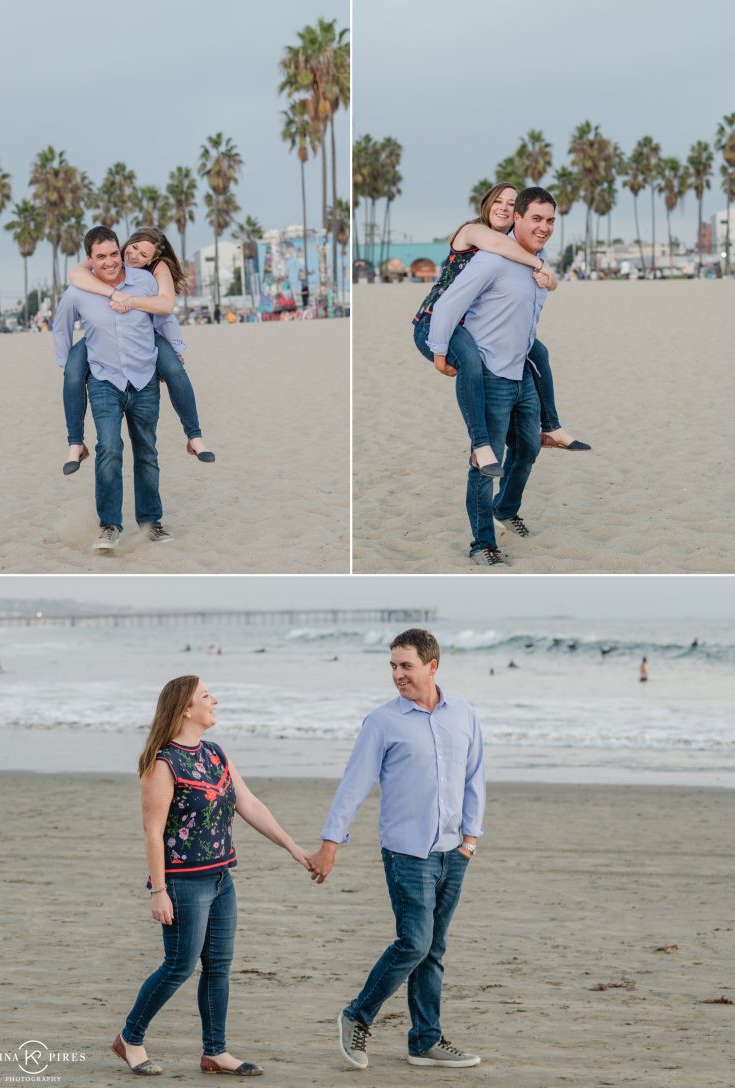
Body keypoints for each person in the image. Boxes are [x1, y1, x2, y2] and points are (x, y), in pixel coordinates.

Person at [112, 675, 312, 1077]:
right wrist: (159, 890)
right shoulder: (164, 763)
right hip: (183, 883)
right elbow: (153, 831)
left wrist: (293, 847)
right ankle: (130, 1038)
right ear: (186, 709)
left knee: (218, 966)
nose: (215, 700)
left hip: (221, 878)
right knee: (179, 965)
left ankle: (215, 1052)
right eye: (206, 696)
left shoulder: (215, 754)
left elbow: (248, 803)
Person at [309, 629, 485, 1070]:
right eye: (393, 666)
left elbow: (474, 778)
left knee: (433, 949)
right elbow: (354, 785)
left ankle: (425, 1040)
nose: (397, 675)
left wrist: (470, 840)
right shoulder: (382, 722)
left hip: (453, 852)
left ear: (432, 666)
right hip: (407, 854)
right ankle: (357, 1015)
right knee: (414, 942)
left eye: (406, 665)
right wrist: (331, 842)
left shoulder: (464, 715)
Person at [414, 182, 589, 478]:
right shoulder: (473, 231)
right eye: (499, 201)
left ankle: (551, 425)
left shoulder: (515, 245)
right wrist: (539, 264)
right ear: (487, 204)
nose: (505, 208)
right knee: (470, 361)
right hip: (434, 320)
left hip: (464, 322)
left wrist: (549, 277)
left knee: (538, 351)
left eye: (511, 203)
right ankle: (480, 444)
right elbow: (499, 247)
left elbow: (540, 274)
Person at [427, 187, 562, 566]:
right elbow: (447, 305)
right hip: (491, 375)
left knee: (529, 449)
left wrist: (549, 278)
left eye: (550, 220)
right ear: (517, 218)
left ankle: (506, 508)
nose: (544, 227)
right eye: (536, 219)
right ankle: (482, 543)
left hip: (522, 373)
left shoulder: (539, 261)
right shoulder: (491, 259)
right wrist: (440, 353)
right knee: (486, 462)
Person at [53, 225, 172, 552]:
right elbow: (61, 328)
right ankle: (109, 526)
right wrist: (69, 367)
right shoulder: (78, 292)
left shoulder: (143, 282)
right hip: (104, 381)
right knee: (109, 448)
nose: (109, 262)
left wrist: (170, 356)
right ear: (89, 259)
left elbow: (161, 319)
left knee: (147, 450)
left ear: (121, 251)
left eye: (114, 254)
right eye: (101, 256)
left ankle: (151, 523)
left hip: (144, 380)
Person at [64, 226, 214, 472]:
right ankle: (75, 444)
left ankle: (194, 437)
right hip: (106, 334)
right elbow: (76, 274)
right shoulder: (112, 258)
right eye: (133, 247)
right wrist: (113, 293)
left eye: (143, 255)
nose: (134, 256)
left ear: (152, 259)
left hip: (147, 333)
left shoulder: (157, 268)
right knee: (72, 371)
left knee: (175, 369)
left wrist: (132, 303)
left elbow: (165, 307)